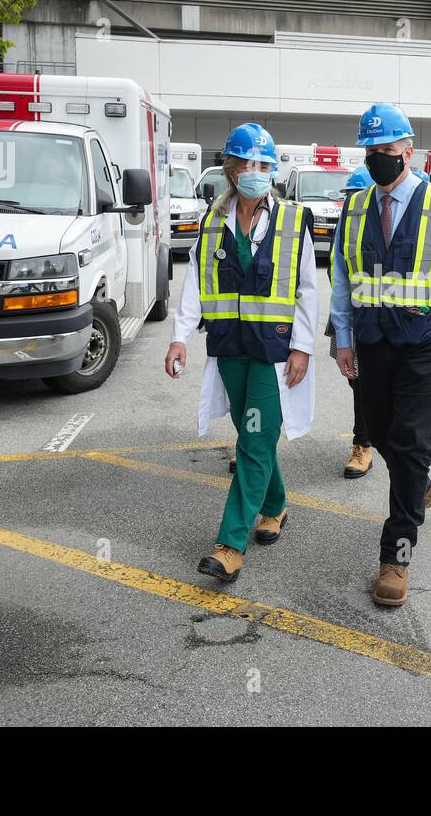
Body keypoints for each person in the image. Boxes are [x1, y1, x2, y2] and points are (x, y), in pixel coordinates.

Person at [330, 101, 431, 607]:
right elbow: (341, 279)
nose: (379, 158)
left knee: (413, 440)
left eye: (388, 150)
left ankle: (395, 556)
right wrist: (343, 337)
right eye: (372, 151)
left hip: (427, 342)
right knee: (377, 432)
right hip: (374, 341)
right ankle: (418, 486)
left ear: (408, 150)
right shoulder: (355, 207)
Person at [164, 122, 318, 583]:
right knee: (249, 431)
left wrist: (303, 348)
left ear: (272, 170)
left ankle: (229, 545)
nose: (255, 171)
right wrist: (179, 336)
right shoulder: (212, 222)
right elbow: (193, 283)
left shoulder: (293, 219)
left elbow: (308, 290)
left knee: (253, 439)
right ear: (230, 169)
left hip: (274, 350)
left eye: (264, 165)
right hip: (230, 346)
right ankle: (275, 505)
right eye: (247, 163)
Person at [325, 165, 374, 479]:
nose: (352, 202)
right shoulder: (346, 223)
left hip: (378, 320)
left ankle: (364, 444)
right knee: (357, 382)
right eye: (349, 196)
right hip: (348, 317)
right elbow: (335, 270)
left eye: (358, 195)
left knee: (368, 386)